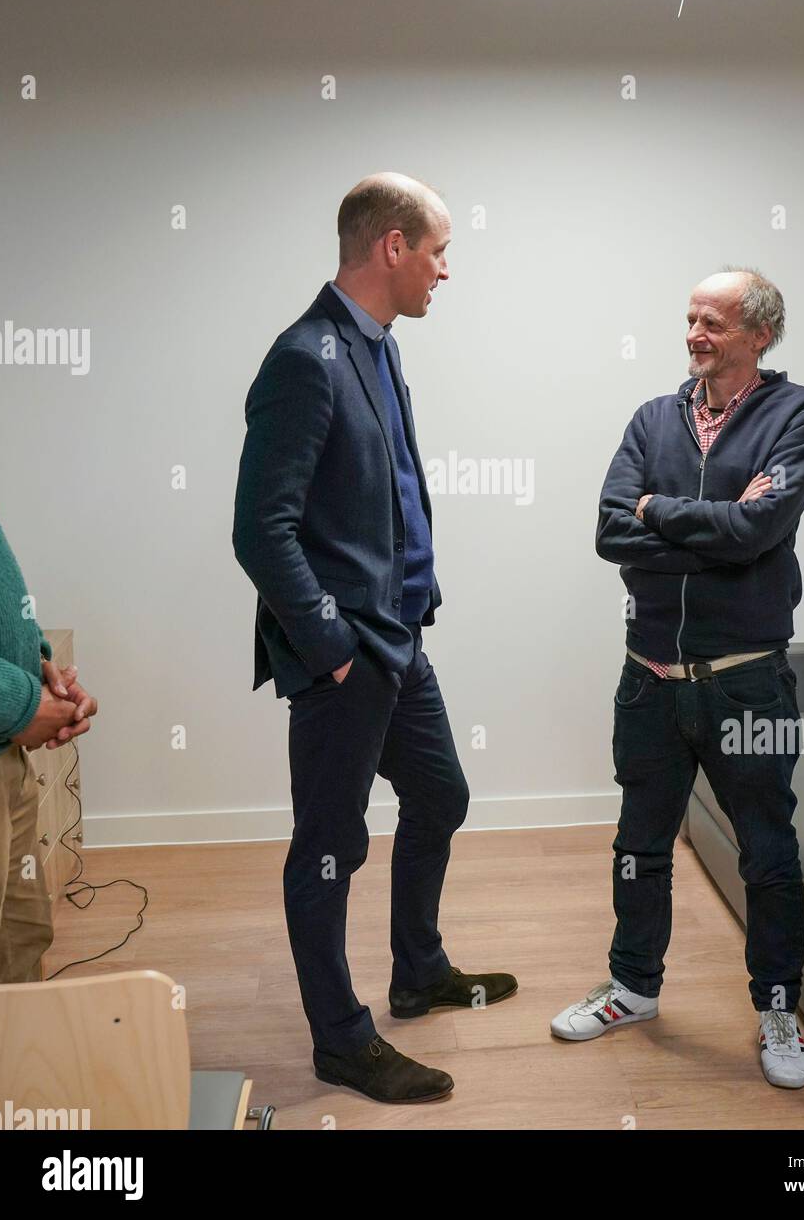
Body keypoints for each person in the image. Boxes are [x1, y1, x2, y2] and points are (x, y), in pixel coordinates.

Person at [233, 172, 516, 1105]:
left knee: (441, 794)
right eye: (439, 252)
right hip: (343, 655)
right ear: (391, 247)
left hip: (396, 640)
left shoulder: (379, 348)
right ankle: (341, 1041)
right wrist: (331, 647)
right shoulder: (305, 358)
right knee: (328, 844)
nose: (446, 272)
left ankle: (417, 969)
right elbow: (259, 530)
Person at [551, 267, 804, 1090]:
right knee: (639, 846)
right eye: (689, 320)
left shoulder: (799, 414)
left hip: (748, 682)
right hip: (648, 679)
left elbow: (758, 530)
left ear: (759, 333)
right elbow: (610, 529)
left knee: (767, 853)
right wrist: (694, 524)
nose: (693, 335)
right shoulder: (652, 417)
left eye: (711, 322)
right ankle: (633, 988)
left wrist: (659, 511)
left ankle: (777, 1009)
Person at [0, 500, 98, 983]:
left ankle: (19, 1061)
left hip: (6, 757)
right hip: (6, 728)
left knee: (22, 938)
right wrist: (23, 705)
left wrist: (37, 661)